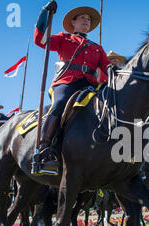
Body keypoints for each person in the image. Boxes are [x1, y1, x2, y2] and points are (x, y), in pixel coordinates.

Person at [33, 1, 112, 175]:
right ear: (73, 22)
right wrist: (44, 14)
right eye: (83, 18)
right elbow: (41, 40)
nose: (86, 21)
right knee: (59, 104)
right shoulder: (63, 38)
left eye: (89, 20)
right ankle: (44, 151)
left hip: (90, 86)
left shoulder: (97, 48)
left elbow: (106, 68)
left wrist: (114, 72)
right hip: (66, 83)